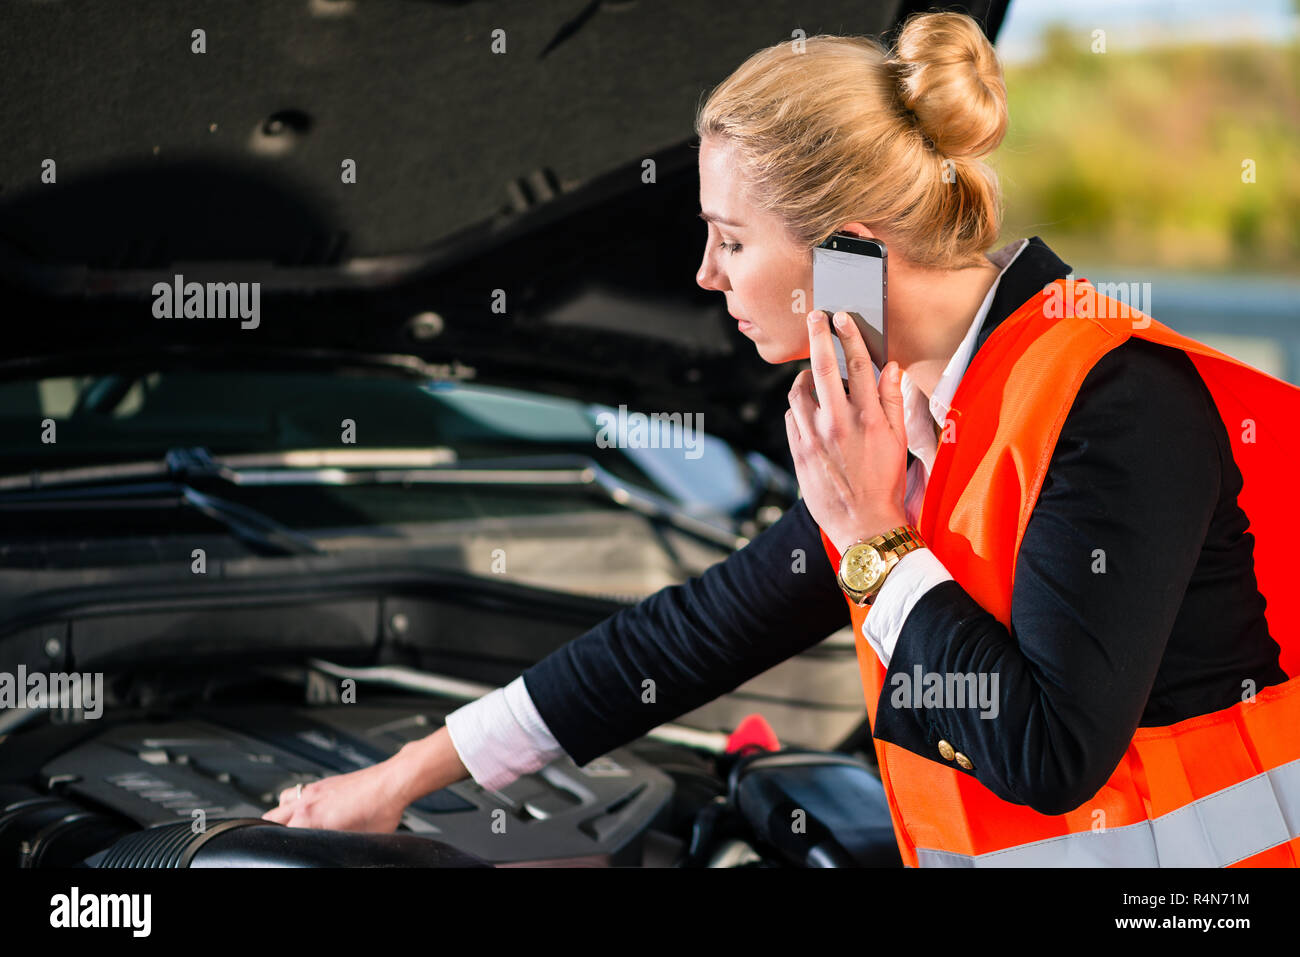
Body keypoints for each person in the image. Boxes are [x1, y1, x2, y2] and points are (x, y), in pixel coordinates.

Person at [263, 12, 1300, 866]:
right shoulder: (904, 416)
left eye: (730, 239)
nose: (706, 277)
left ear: (849, 249)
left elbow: (1050, 753)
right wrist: (397, 781)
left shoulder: (1115, 402)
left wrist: (875, 544)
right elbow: (690, 636)